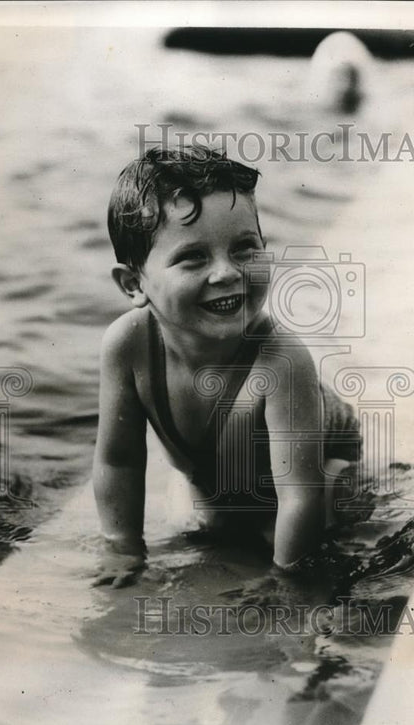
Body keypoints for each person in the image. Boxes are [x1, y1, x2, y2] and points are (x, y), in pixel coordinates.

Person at [93, 145, 362, 587]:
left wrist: (286, 583)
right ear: (133, 283)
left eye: (244, 249)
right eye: (194, 257)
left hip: (322, 466)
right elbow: (118, 462)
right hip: (223, 472)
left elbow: (300, 496)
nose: (227, 273)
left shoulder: (281, 359)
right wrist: (123, 550)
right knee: (200, 526)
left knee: (294, 529)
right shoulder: (127, 345)